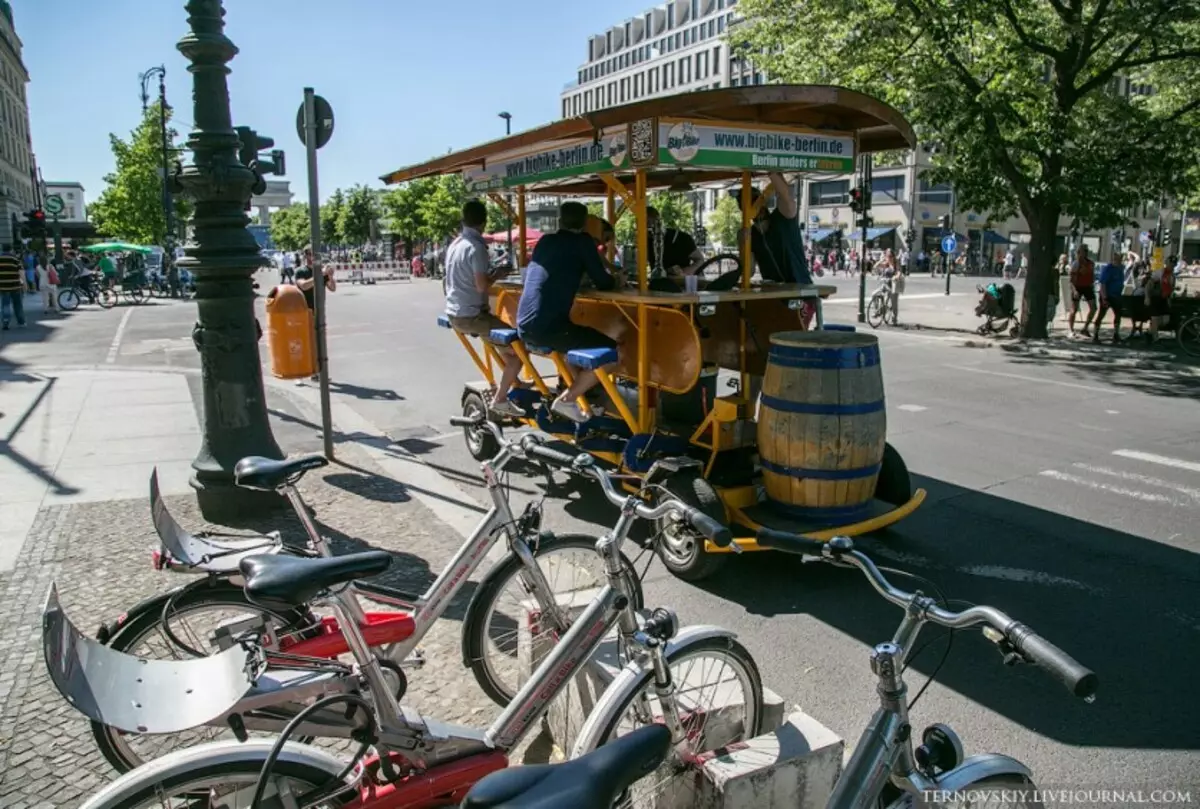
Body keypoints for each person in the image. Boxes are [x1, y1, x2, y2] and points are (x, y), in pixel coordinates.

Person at [516, 201, 623, 423]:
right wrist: (618, 279)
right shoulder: (582, 242)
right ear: (585, 224)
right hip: (548, 328)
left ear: (559, 221)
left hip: (524, 324)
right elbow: (603, 282)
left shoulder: (546, 241)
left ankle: (582, 399)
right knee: (614, 353)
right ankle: (568, 400)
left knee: (575, 343)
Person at [444, 199, 523, 417]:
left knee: (504, 346)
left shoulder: (456, 244)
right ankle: (501, 399)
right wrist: (497, 275)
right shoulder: (477, 247)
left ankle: (513, 383)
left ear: (464, 219)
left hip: (455, 311)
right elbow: (482, 286)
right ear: (484, 222)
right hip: (472, 315)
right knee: (519, 350)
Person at [738, 172, 814, 286]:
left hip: (800, 286)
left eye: (756, 200)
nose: (756, 207)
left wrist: (771, 171)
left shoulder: (782, 218)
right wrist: (743, 246)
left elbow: (786, 197)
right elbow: (748, 272)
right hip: (773, 292)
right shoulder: (751, 234)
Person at [294, 244, 336, 382]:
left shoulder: (320, 271)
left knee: (319, 343)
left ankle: (318, 372)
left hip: (319, 311)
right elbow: (304, 285)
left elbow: (332, 288)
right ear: (305, 256)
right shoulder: (301, 271)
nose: (313, 257)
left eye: (315, 254)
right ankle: (299, 374)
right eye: (310, 254)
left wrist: (329, 276)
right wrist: (320, 274)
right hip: (304, 312)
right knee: (303, 343)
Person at [647, 207, 704, 278]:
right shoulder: (645, 242)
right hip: (657, 285)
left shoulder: (682, 238)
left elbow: (700, 260)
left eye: (649, 224)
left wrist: (684, 272)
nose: (649, 228)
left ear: (659, 221)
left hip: (681, 285)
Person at [1067, 244, 1096, 338]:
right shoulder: (1076, 264)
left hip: (1087, 287)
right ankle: (1071, 330)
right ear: (1079, 253)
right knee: (1074, 309)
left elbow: (1092, 276)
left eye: (1086, 251)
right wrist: (1074, 291)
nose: (1085, 253)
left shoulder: (1091, 263)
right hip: (1077, 286)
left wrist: (1092, 285)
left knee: (1093, 308)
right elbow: (1071, 280)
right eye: (1084, 251)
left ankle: (1085, 328)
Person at [1093, 258, 1125, 344]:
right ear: (1113, 260)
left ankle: (1116, 334)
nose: (1119, 261)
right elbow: (1103, 284)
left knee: (1118, 314)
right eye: (1117, 259)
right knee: (1101, 314)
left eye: (1120, 259)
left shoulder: (1120, 269)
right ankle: (1095, 334)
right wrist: (1104, 298)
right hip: (1107, 295)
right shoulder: (1108, 269)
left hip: (1116, 295)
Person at [0, 244, 26, 329]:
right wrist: (24, 284)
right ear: (11, 250)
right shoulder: (15, 259)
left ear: (2, 249)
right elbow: (21, 273)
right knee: (17, 304)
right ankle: (21, 322)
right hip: (15, 286)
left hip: (3, 286)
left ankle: (6, 322)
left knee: (5, 305)